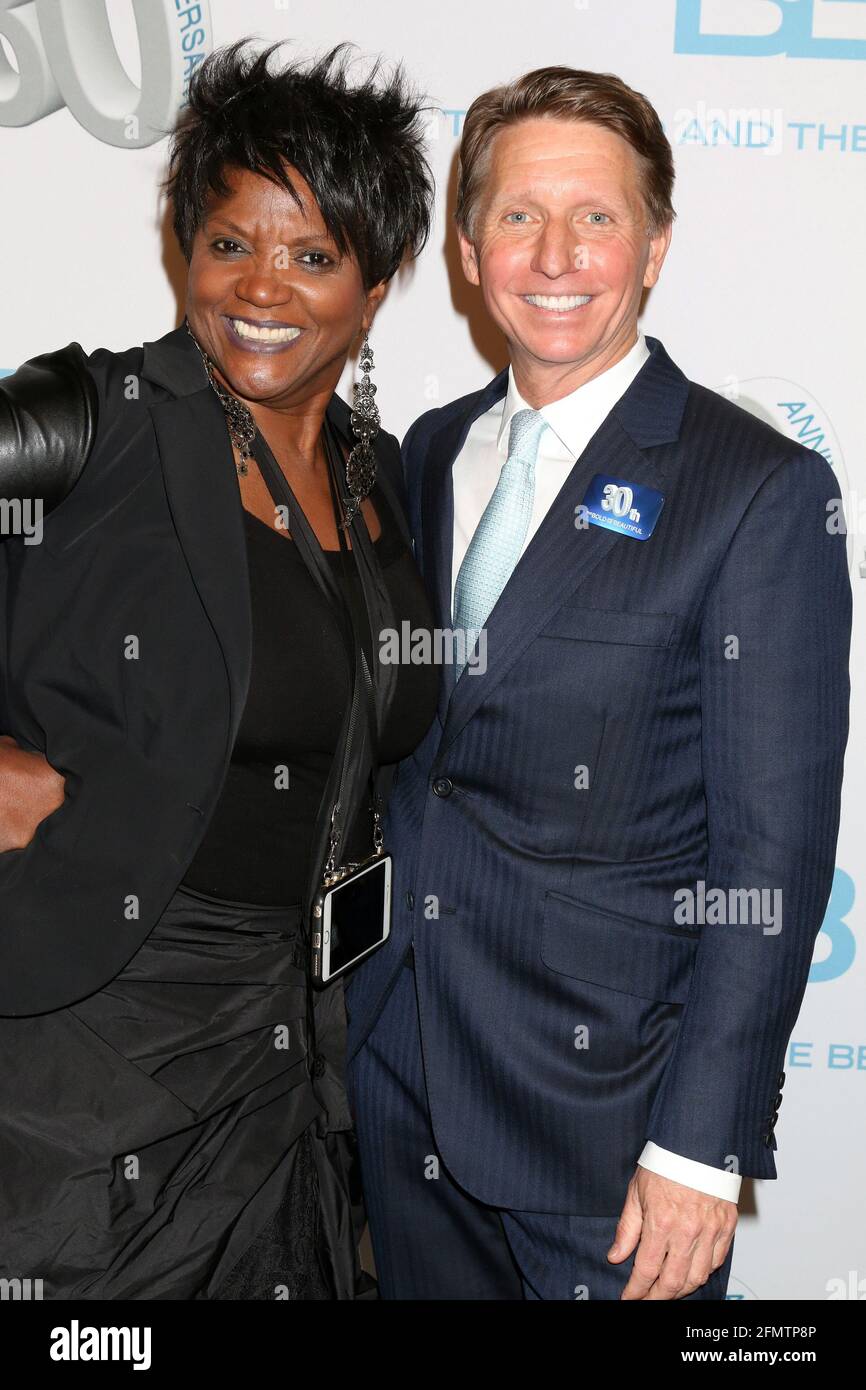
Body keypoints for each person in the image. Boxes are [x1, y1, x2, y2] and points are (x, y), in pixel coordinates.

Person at [345, 65, 851, 1300]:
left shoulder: (756, 491)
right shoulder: (428, 451)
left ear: (655, 245)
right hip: (401, 1076)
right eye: (518, 215)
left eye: (596, 217)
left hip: (613, 1129)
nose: (555, 255)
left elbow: (771, 856)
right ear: (468, 249)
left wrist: (698, 1143)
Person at [0, 38, 437, 1299]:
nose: (261, 287)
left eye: (312, 257)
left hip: (299, 1037)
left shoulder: (374, 470)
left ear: (377, 281)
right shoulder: (87, 420)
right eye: (229, 242)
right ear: (181, 246)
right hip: (100, 1038)